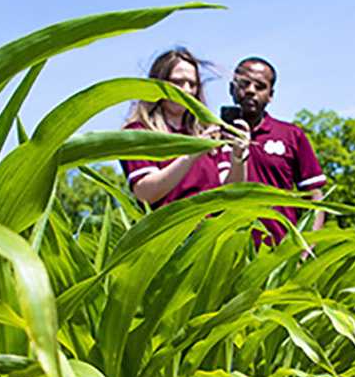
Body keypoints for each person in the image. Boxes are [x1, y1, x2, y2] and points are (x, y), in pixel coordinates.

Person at [121, 48, 249, 208]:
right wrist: (189, 156)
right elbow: (146, 193)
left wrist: (239, 157)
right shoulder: (139, 133)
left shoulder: (210, 133)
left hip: (211, 229)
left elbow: (231, 192)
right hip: (168, 230)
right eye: (178, 82)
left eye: (192, 84)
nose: (187, 90)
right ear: (158, 84)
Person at [223, 56, 326, 245]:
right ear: (232, 88)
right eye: (244, 84)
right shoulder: (211, 136)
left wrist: (305, 249)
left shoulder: (291, 135)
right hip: (223, 253)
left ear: (271, 95)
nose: (250, 91)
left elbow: (315, 197)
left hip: (277, 254)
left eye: (260, 86)